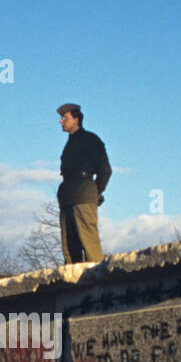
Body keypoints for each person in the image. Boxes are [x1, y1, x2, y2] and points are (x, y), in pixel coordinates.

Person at [56, 102, 112, 264]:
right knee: (70, 251)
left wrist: (96, 192)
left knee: (90, 247)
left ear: (76, 119)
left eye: (65, 118)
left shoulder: (90, 140)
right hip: (67, 199)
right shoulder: (70, 143)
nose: (61, 122)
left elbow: (105, 170)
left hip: (84, 195)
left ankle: (100, 287)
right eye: (61, 119)